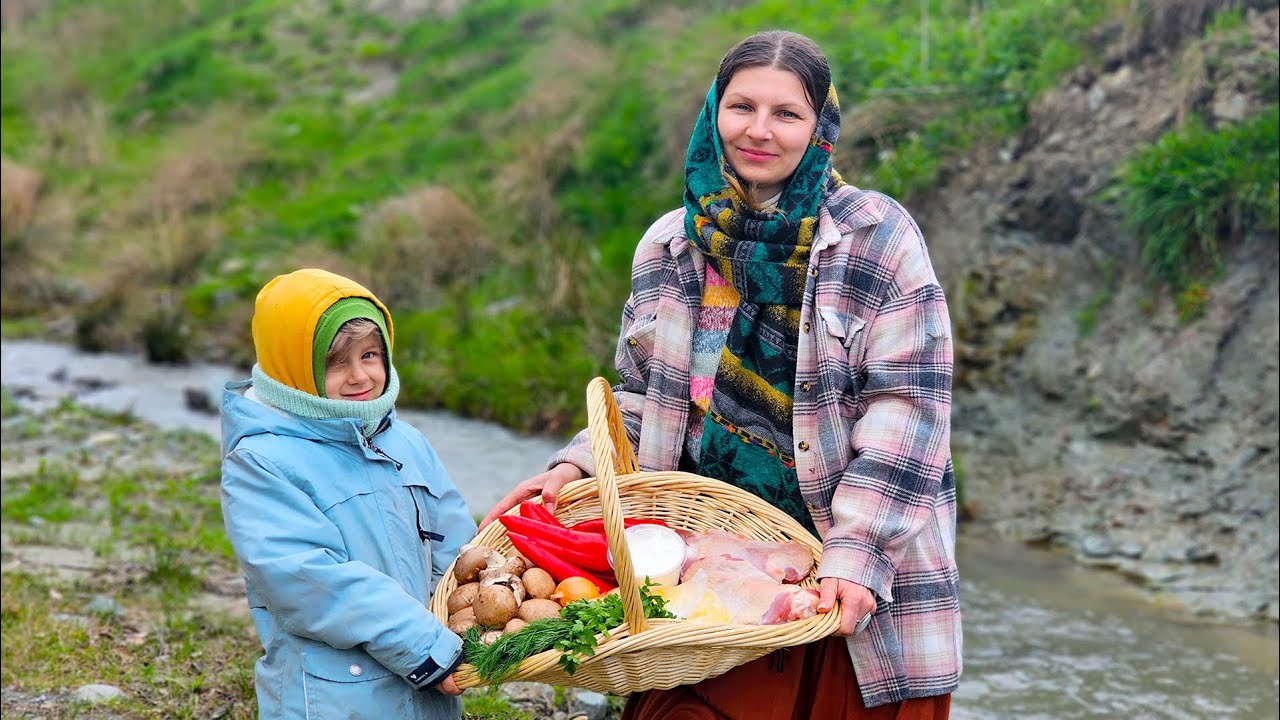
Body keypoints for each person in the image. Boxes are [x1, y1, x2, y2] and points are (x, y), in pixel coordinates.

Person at [482, 30, 960, 718]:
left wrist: (857, 554)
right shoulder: (670, 245)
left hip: (852, 584)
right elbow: (641, 398)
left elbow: (907, 415)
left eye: (786, 114)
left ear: (819, 127)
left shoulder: (876, 239)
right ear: (713, 111)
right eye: (741, 107)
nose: (759, 131)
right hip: (706, 585)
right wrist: (579, 469)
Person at [220, 268, 475, 719]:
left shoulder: (406, 441)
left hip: (429, 682)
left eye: (371, 355)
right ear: (293, 365)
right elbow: (312, 581)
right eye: (336, 362)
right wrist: (425, 647)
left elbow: (454, 544)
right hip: (335, 698)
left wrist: (470, 625)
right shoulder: (262, 460)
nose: (360, 376)